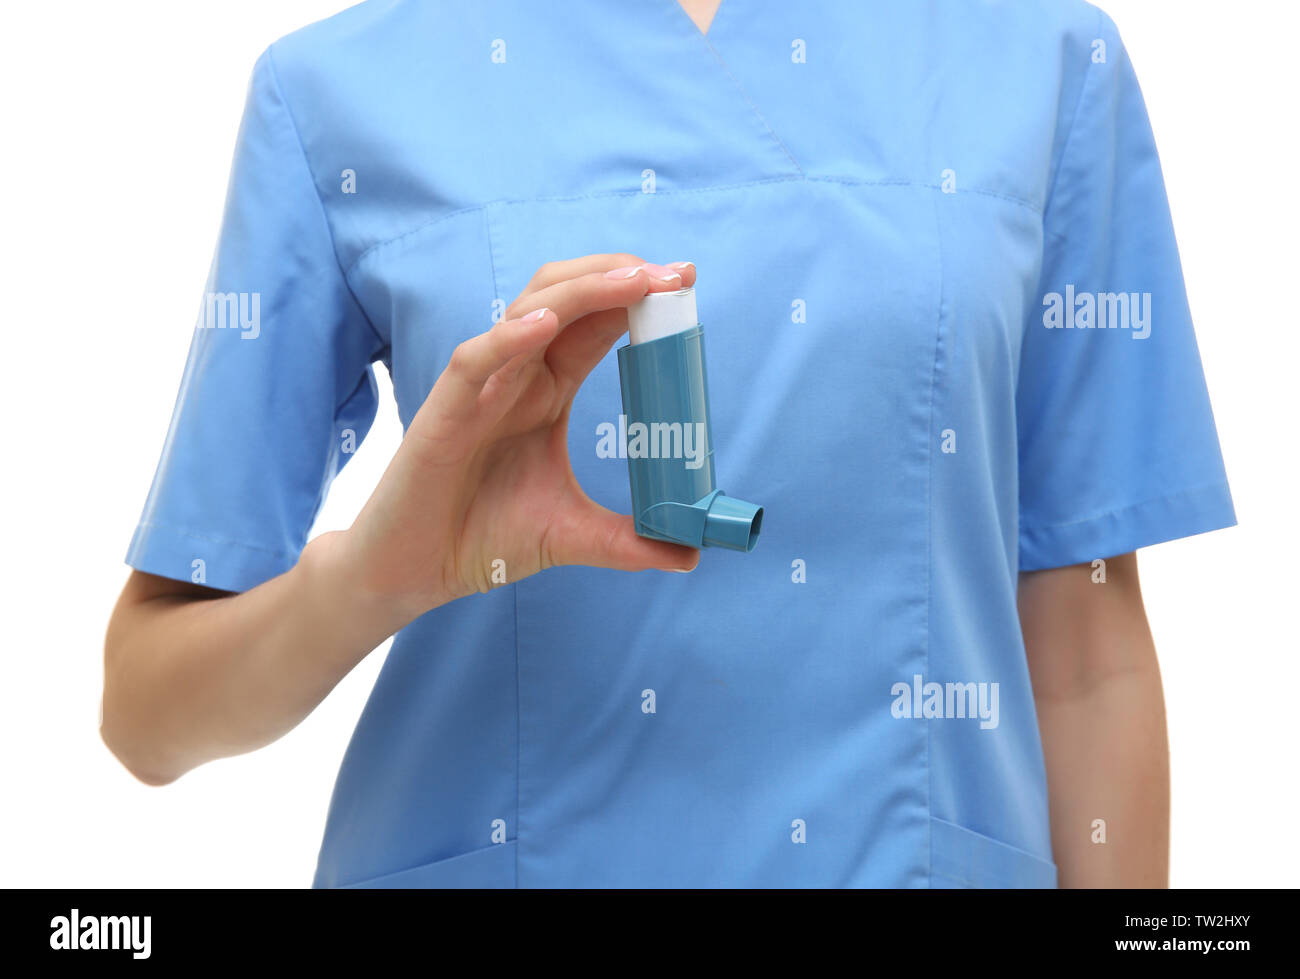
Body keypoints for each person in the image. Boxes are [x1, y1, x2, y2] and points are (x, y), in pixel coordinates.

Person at [103, 0, 1235, 888]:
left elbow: (1088, 646)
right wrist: (371, 577)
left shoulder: (1043, 60)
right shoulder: (336, 89)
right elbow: (144, 711)